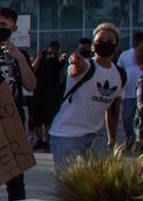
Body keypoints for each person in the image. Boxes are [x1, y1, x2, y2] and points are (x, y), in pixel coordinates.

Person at [47, 21, 127, 170]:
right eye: (100, 41)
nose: (104, 43)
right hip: (66, 134)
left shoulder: (119, 75)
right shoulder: (88, 66)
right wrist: (75, 61)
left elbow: (112, 111)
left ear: (117, 47)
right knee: (67, 184)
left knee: (101, 181)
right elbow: (76, 68)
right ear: (93, 47)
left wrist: (112, 139)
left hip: (94, 135)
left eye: (109, 41)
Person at [0, 8, 36, 201]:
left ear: (13, 28)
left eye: (3, 25)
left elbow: (31, 85)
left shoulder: (20, 55)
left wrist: (20, 58)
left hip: (12, 119)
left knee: (15, 176)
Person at [30, 41, 64, 152]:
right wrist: (39, 58)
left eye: (55, 49)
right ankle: (39, 140)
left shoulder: (57, 60)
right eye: (51, 48)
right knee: (37, 118)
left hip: (51, 93)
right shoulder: (41, 57)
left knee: (49, 120)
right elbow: (33, 69)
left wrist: (61, 60)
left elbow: (60, 70)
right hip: (39, 91)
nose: (53, 51)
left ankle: (46, 141)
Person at [118, 32, 143, 148]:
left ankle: (139, 142)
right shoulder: (125, 55)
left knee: (140, 119)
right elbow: (119, 72)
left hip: (140, 93)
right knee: (127, 119)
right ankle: (130, 140)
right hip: (128, 94)